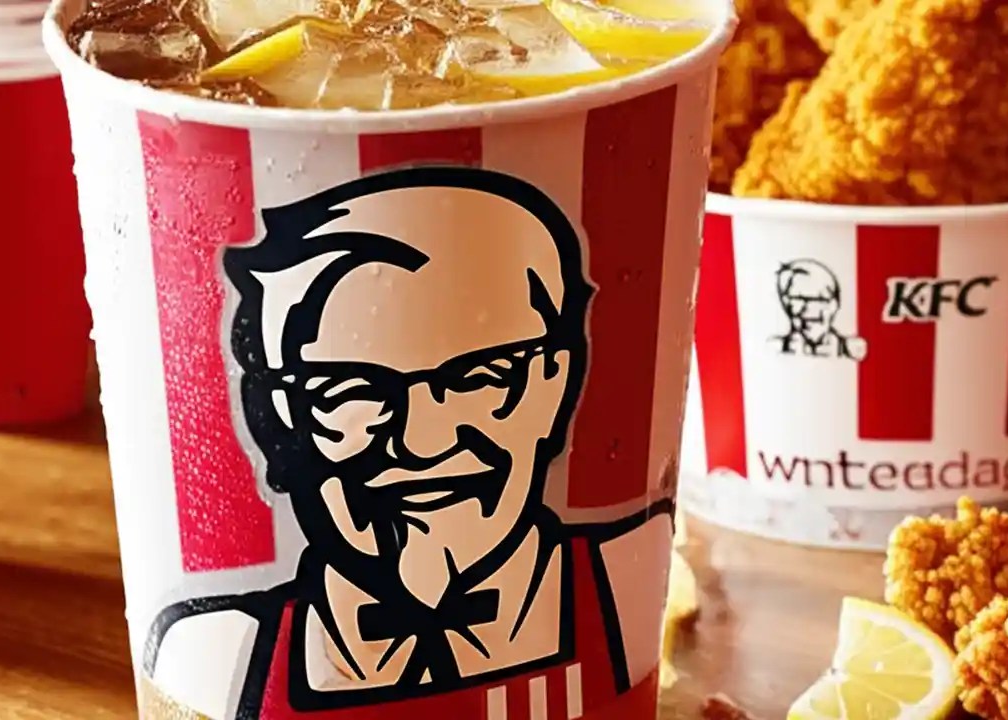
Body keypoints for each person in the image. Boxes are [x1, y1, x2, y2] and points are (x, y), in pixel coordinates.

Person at [144, 167, 672, 720]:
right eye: (350, 390)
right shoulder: (221, 652)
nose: (422, 441)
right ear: (279, 418)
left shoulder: (624, 586)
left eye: (481, 377)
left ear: (554, 385)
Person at [771, 258, 866, 360]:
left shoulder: (853, 352)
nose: (808, 308)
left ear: (834, 304)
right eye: (799, 299)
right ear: (786, 303)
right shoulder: (774, 350)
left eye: (819, 299)